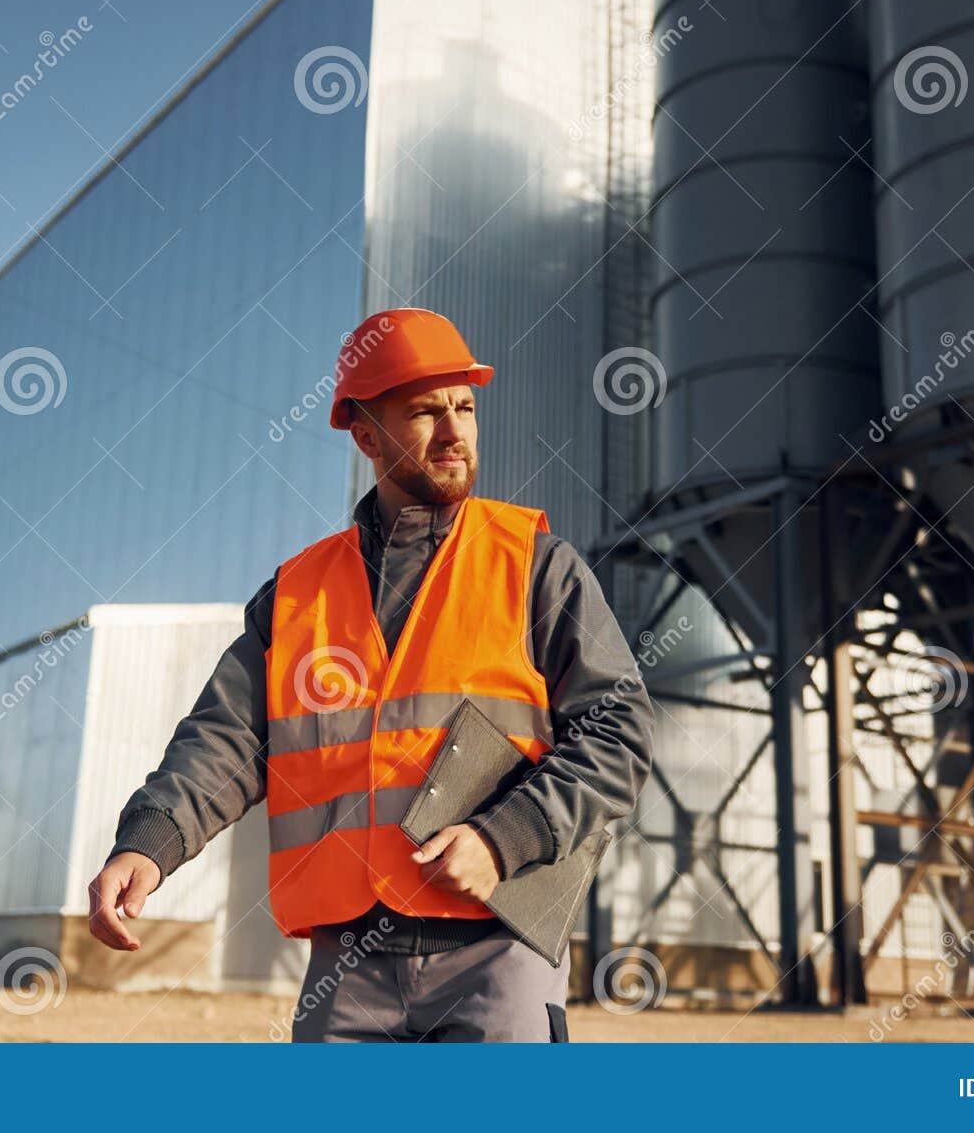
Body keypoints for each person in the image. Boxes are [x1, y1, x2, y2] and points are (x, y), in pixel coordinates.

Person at [88, 307, 653, 1042]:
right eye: (426, 411)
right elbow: (226, 738)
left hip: (497, 954)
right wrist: (148, 841)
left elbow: (619, 729)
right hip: (347, 968)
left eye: (466, 408)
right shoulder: (297, 592)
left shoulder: (535, 566)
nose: (455, 431)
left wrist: (503, 836)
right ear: (364, 434)